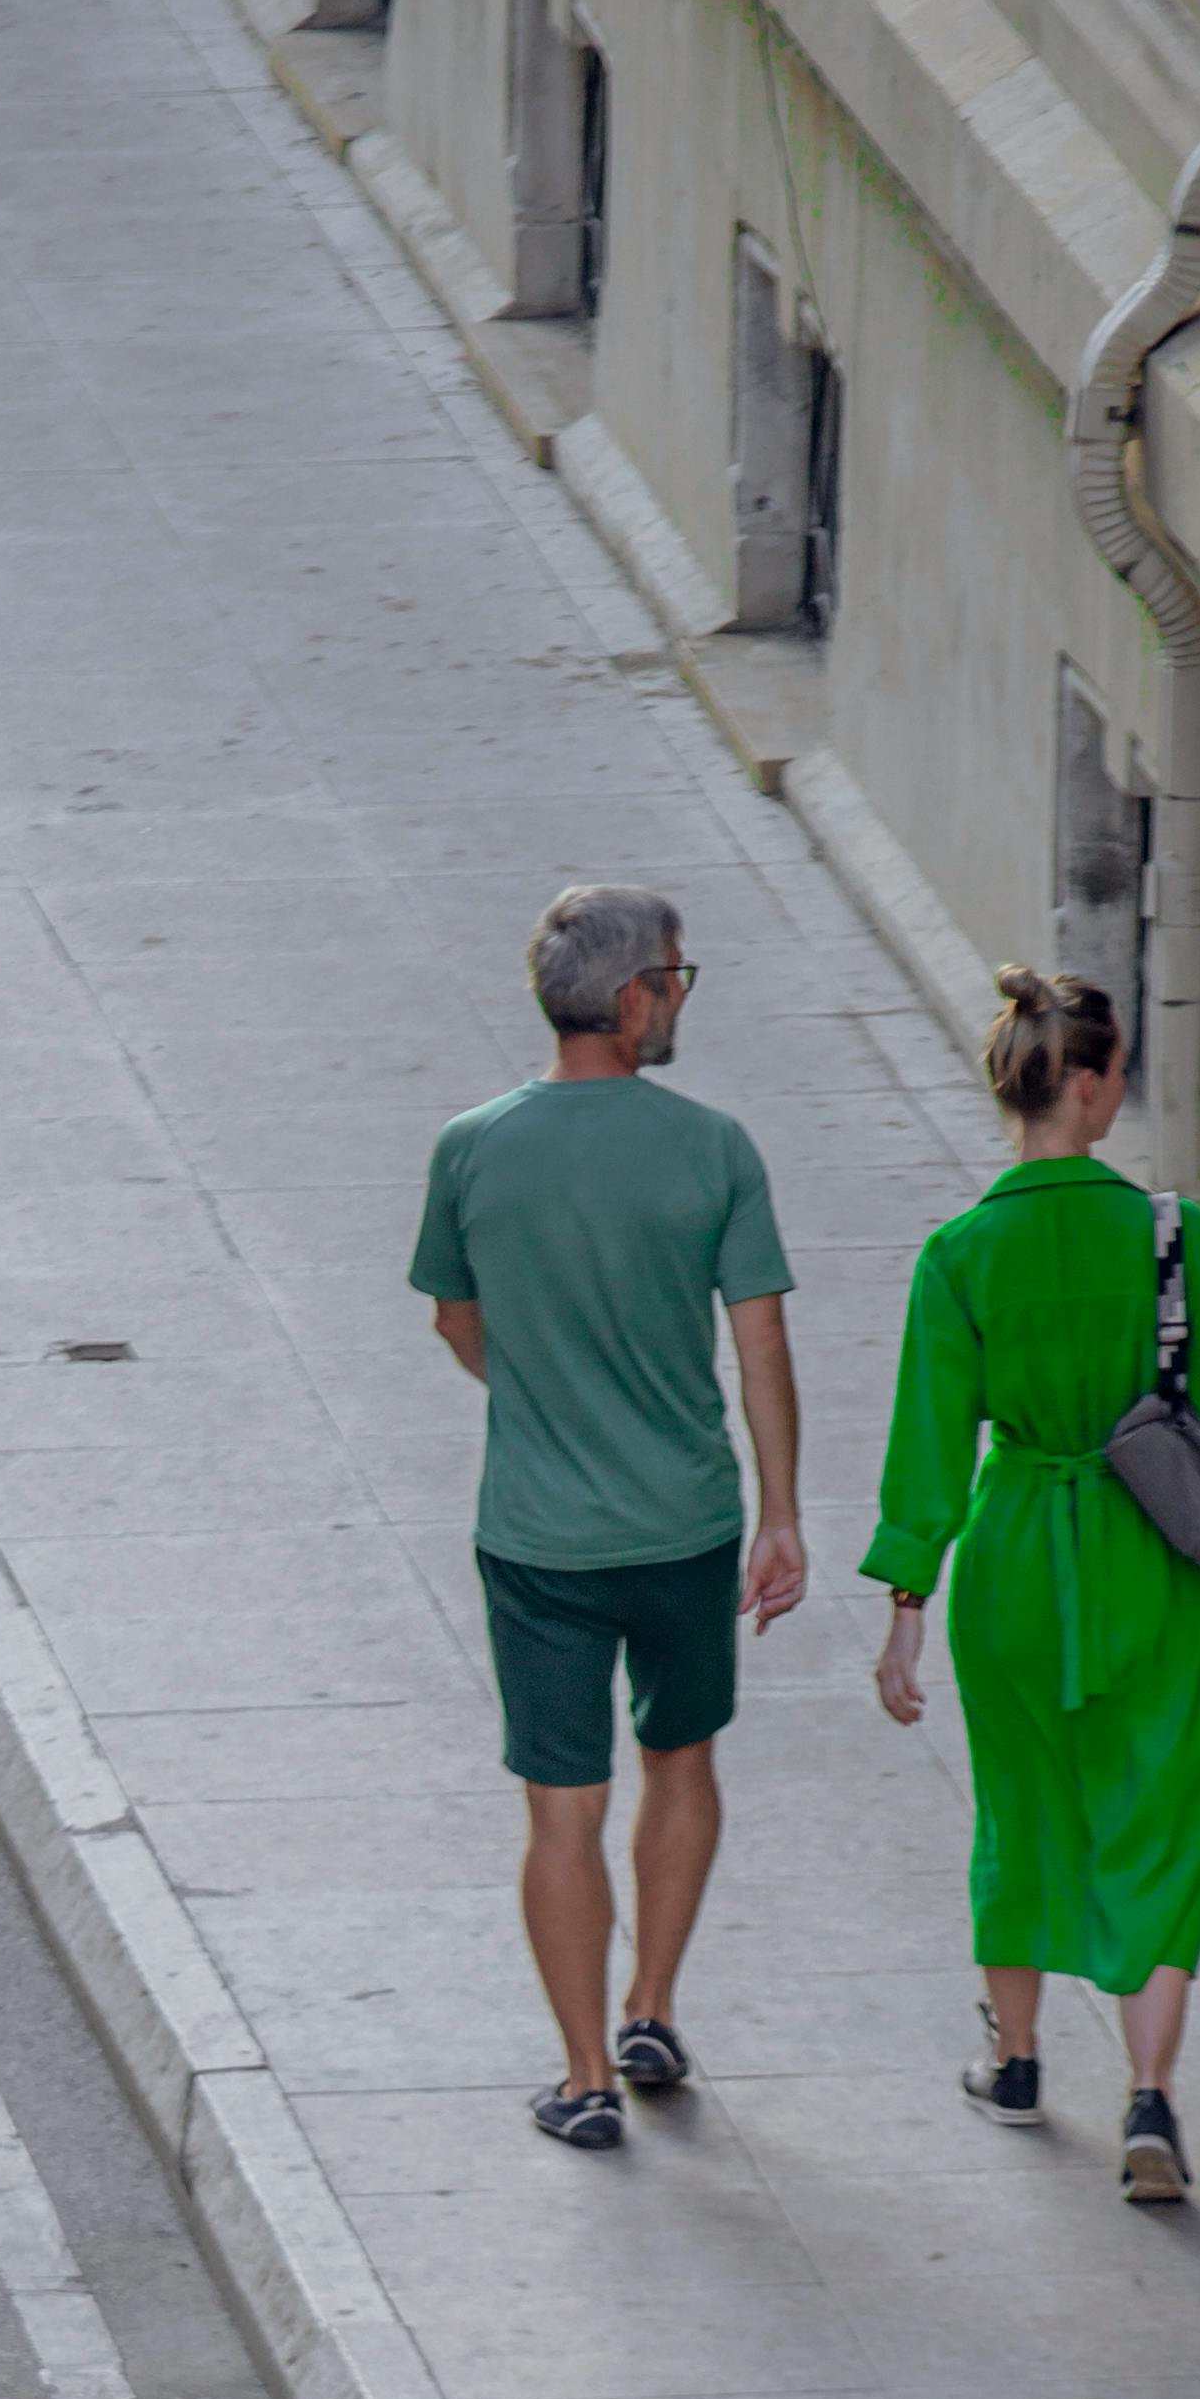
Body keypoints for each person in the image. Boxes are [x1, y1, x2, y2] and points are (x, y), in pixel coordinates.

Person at [862, 960, 1200, 2205]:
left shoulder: (960, 1252)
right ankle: (1147, 2101)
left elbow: (927, 1449)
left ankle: (1020, 2058)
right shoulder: (1167, 1233)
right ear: (1088, 1086)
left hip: (1014, 1563)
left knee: (1020, 1811)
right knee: (1157, 1818)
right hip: (1143, 1561)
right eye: (1115, 1074)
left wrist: (904, 1613)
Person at [410, 882, 807, 2149]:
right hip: (684, 1524)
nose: (683, 995)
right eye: (679, 977)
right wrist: (781, 1513)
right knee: (680, 1760)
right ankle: (651, 2006)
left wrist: (532, 1390)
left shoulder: (471, 1145)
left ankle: (583, 2078)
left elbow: (453, 1318)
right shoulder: (713, 1150)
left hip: (537, 1538)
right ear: (632, 1000)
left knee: (559, 1803)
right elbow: (759, 1346)